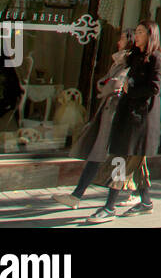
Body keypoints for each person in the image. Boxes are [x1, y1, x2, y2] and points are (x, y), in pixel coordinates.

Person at [87, 20, 161, 223]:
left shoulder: (156, 58)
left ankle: (109, 207)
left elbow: (154, 88)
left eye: (141, 32)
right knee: (136, 162)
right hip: (128, 115)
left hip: (141, 119)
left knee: (121, 159)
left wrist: (129, 90)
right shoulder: (136, 56)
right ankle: (146, 202)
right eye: (137, 32)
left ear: (151, 35)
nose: (136, 35)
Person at [53, 28, 133, 209]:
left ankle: (125, 199)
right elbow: (107, 82)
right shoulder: (118, 61)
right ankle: (133, 196)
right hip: (109, 113)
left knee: (120, 159)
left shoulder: (128, 62)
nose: (118, 42)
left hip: (118, 116)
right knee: (107, 156)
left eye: (121, 38)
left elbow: (117, 85)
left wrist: (108, 87)